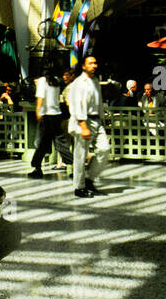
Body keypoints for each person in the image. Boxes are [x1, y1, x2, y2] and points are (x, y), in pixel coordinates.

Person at [68, 54, 109, 198]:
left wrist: (102, 121)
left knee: (104, 149)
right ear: (84, 66)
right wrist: (83, 125)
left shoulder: (96, 81)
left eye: (95, 63)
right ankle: (79, 187)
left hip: (97, 121)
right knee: (80, 155)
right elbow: (76, 105)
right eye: (90, 63)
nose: (94, 65)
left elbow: (99, 102)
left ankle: (90, 179)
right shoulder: (79, 83)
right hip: (83, 121)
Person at [28, 66, 63, 178]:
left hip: (47, 117)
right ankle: (72, 164)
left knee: (41, 143)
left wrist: (38, 110)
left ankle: (37, 167)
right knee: (60, 143)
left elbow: (40, 97)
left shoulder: (42, 81)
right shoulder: (56, 82)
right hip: (56, 115)